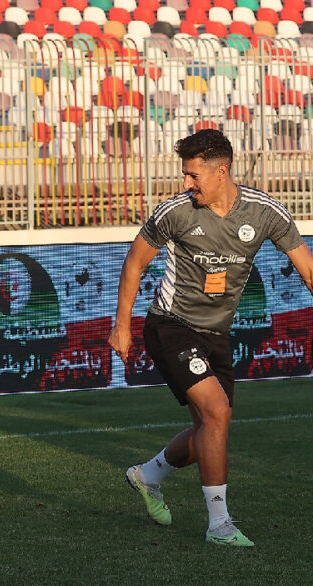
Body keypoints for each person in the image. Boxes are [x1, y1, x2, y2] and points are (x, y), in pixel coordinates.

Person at [108, 129, 313, 546]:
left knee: (210, 431)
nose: (186, 184)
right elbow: (134, 263)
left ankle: (147, 476)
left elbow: (308, 270)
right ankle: (219, 525)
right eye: (185, 174)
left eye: (193, 175)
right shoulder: (175, 212)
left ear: (221, 172)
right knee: (217, 413)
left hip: (216, 334)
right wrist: (122, 326)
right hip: (169, 325)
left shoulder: (265, 212)